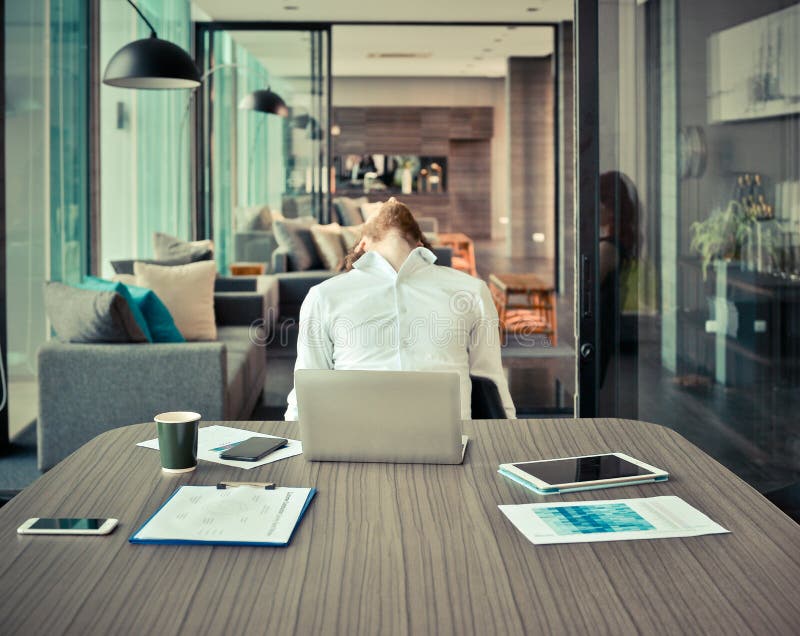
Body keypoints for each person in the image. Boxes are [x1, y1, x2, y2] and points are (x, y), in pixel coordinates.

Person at [285, 197, 515, 420]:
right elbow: (305, 389)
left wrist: (510, 436)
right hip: (354, 438)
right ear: (363, 245)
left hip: (449, 441)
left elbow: (491, 383)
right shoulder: (325, 297)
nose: (392, 199)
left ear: (420, 243)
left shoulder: (471, 292)